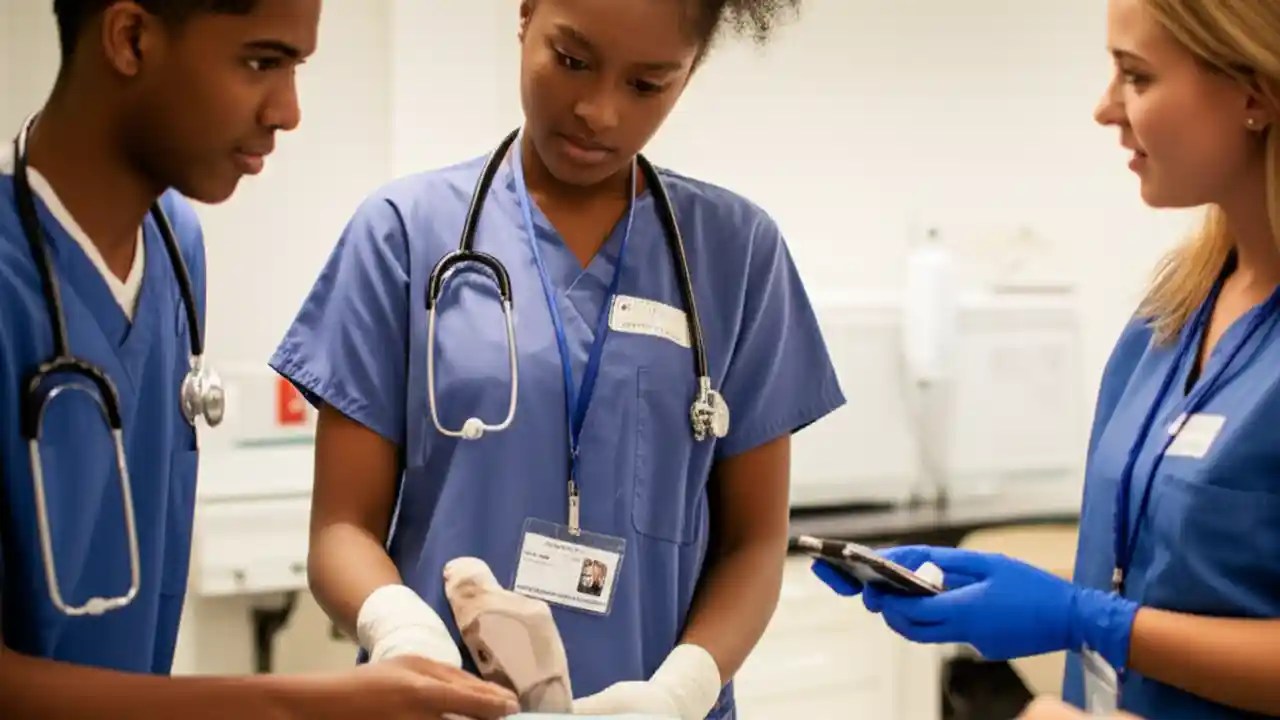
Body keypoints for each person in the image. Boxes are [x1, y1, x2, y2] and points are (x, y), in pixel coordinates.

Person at [269, 0, 845, 717]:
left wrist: (682, 691)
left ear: (689, 71)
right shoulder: (405, 234)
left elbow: (754, 544)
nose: (599, 112)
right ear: (525, 15)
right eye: (572, 61)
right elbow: (340, 529)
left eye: (647, 84)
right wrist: (402, 631)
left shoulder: (738, 254)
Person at [0, 1, 518, 718]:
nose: (288, 112)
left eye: (295, 67)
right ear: (131, 38)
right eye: (260, 62)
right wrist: (300, 704)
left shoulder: (175, 245)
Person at [812, 0, 1280, 718]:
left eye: (1137, 76)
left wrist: (1087, 619)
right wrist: (1017, 596)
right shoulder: (1165, 322)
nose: (1105, 108)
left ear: (1255, 92)